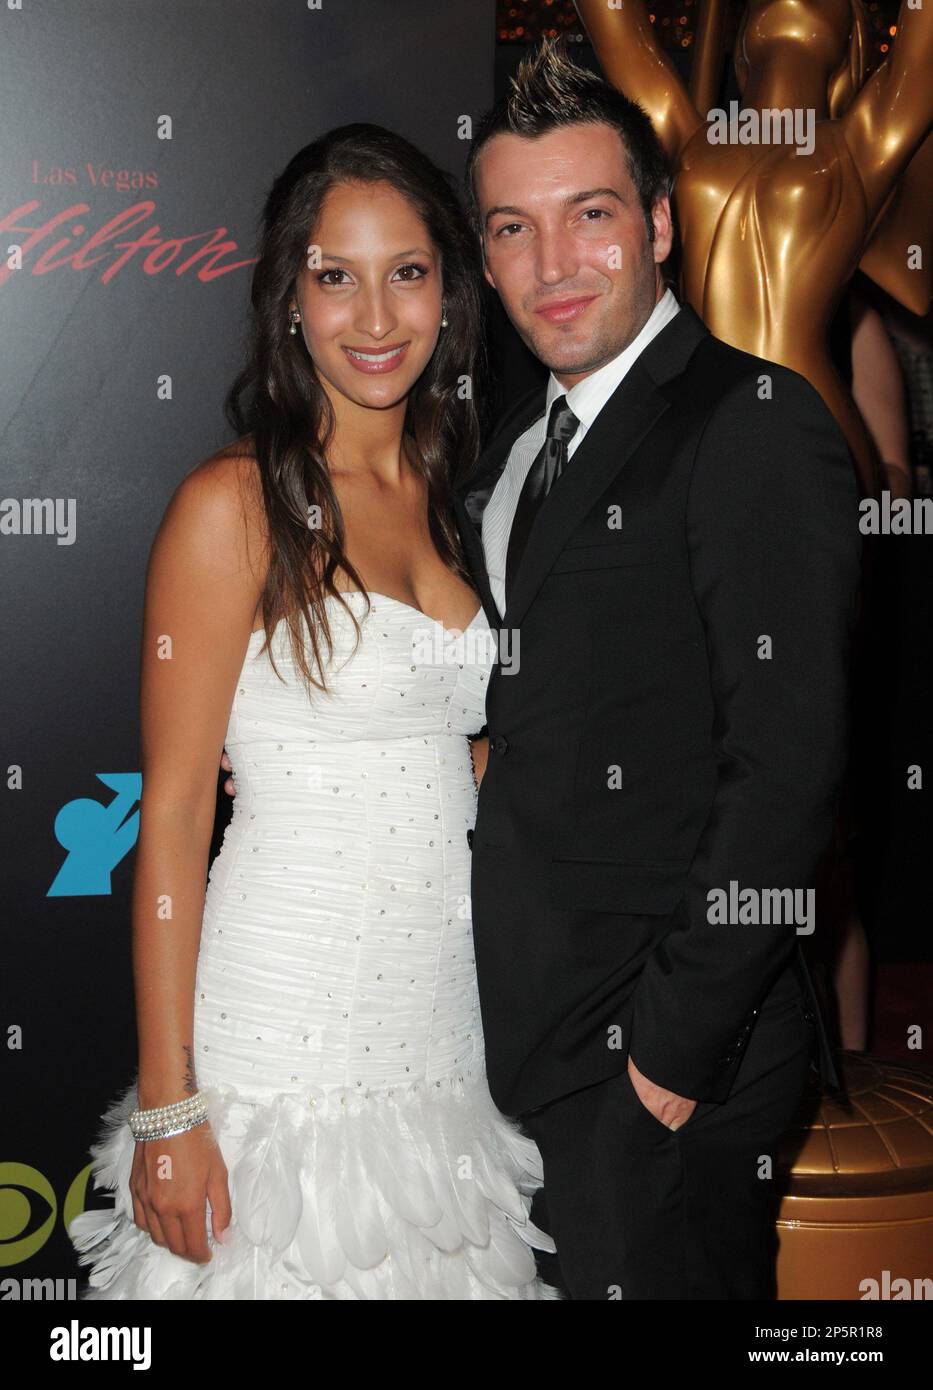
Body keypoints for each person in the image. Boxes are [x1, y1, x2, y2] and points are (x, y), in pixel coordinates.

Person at [67, 124, 558, 1300]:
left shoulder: (464, 499)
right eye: (336, 275)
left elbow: (446, 740)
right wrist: (171, 1106)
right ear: (291, 294)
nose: (375, 317)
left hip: (440, 1034)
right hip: (277, 1037)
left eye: (407, 272)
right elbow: (176, 816)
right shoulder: (231, 505)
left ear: (452, 290)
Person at [449, 39, 862, 1299]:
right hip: (522, 1040)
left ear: (664, 227)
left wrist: (667, 1063)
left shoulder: (754, 422)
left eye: (591, 217)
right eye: (513, 230)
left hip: (666, 1062)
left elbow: (787, 764)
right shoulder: (517, 443)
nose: (553, 265)